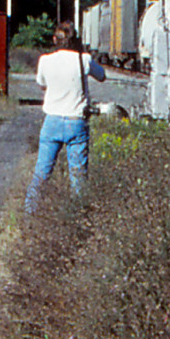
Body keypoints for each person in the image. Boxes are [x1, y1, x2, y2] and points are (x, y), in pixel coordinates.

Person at [25, 22, 105, 213]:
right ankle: (78, 216)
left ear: (55, 39)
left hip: (52, 120)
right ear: (75, 40)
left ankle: (30, 213)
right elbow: (101, 75)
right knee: (78, 177)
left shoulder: (45, 60)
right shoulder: (83, 59)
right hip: (76, 122)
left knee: (42, 173)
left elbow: (41, 83)